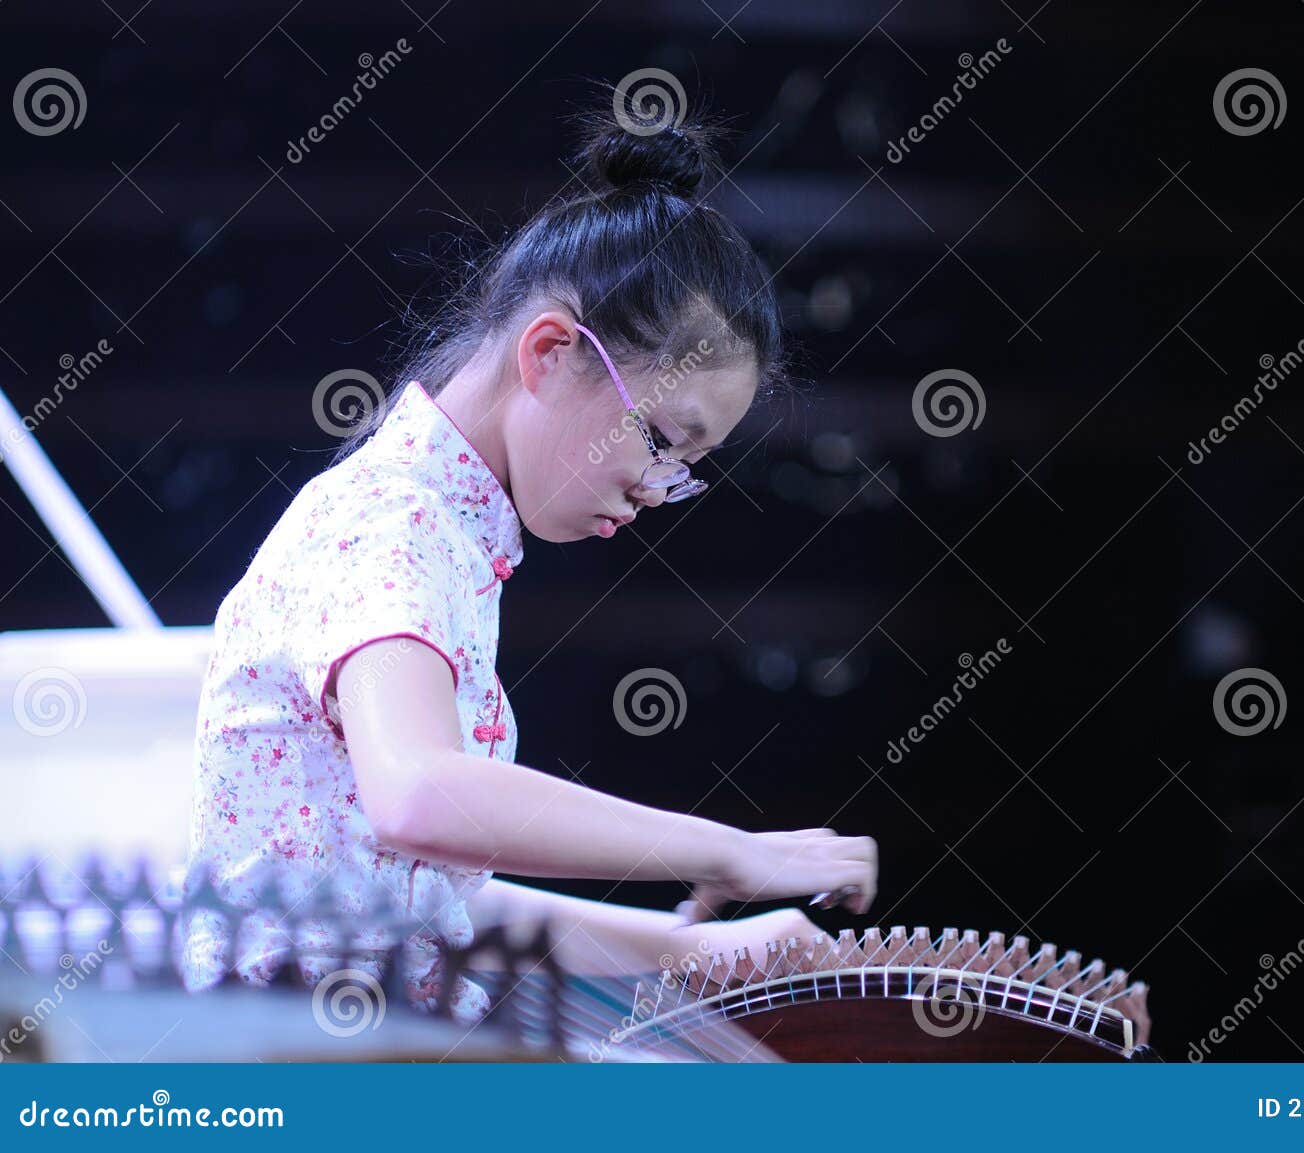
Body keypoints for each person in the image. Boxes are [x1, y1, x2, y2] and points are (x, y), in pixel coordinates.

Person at [181, 103, 877, 1024]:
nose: (654, 489)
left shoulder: (450, 540)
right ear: (550, 352)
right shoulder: (395, 519)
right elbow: (420, 794)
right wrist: (722, 849)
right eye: (661, 439)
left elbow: (427, 910)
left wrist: (693, 949)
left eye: (687, 470)